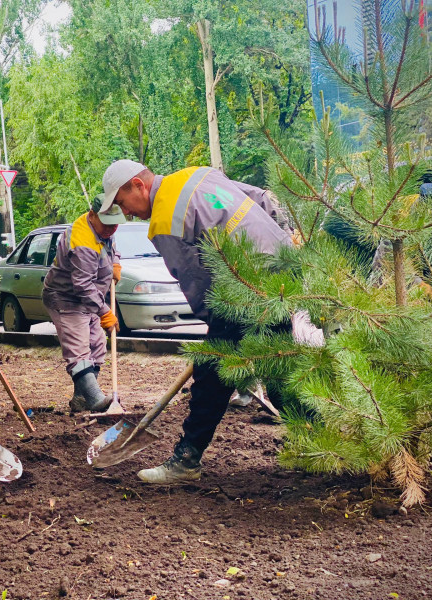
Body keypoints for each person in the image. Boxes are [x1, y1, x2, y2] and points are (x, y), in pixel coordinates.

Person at [99, 160, 292, 484]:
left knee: (211, 372)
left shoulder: (164, 219)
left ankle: (187, 460)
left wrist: (214, 326)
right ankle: (324, 443)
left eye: (121, 203)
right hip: (282, 273)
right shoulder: (198, 174)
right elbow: (260, 199)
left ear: (138, 185)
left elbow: (195, 281)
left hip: (244, 287)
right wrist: (284, 243)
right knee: (282, 369)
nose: (127, 213)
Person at [42, 195, 126, 412]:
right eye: (107, 224)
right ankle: (94, 398)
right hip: (65, 297)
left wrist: (115, 261)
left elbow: (111, 244)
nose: (111, 229)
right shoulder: (82, 242)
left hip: (87, 298)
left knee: (97, 344)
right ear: (92, 215)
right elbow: (82, 285)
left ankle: (81, 399)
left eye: (115, 224)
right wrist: (105, 312)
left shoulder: (104, 228)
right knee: (78, 348)